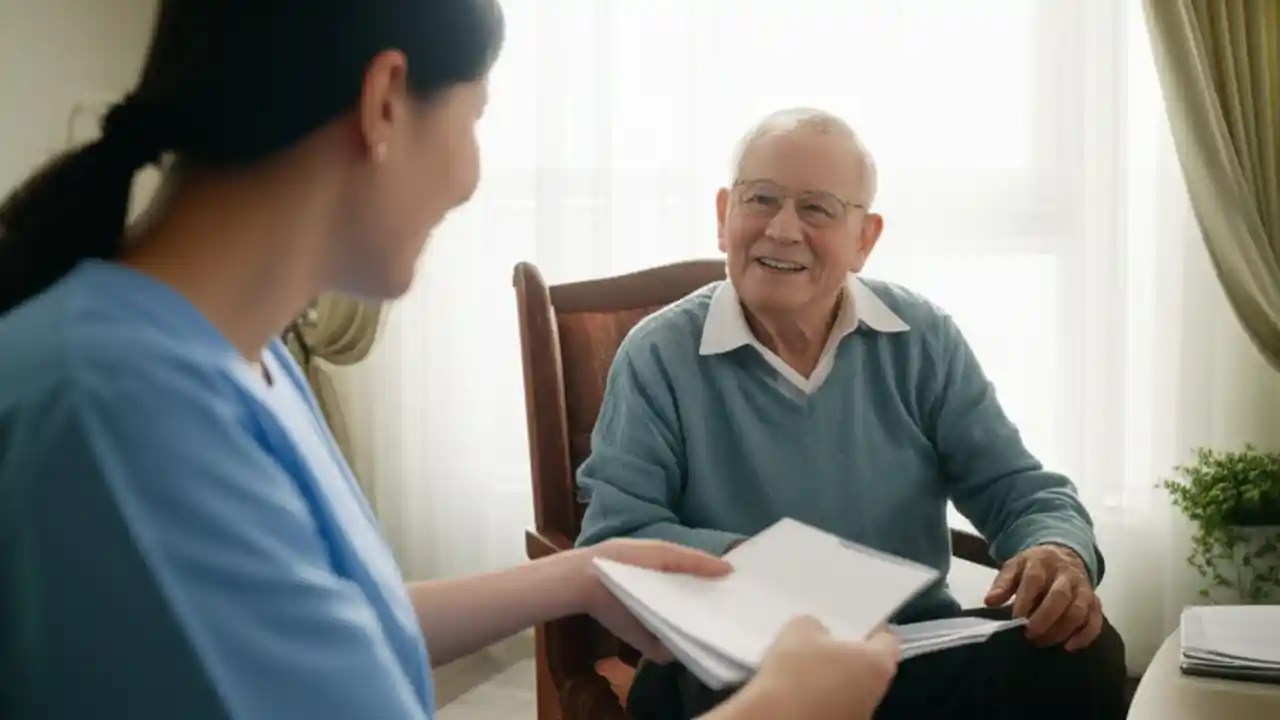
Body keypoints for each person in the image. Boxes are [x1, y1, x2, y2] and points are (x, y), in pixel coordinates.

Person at [0, 3, 901, 719]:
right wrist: (788, 707)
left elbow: (334, 624)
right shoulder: (121, 408)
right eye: (475, 119)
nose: (470, 176)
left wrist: (579, 575)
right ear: (386, 100)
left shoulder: (238, 360)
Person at [575, 107, 1130, 719]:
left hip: (906, 649)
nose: (782, 230)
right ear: (722, 216)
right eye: (761, 199)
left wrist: (1057, 548)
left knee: (1087, 652)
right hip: (741, 663)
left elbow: (1017, 487)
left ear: (864, 240)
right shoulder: (658, 354)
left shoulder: (922, 337)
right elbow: (616, 536)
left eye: (817, 209)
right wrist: (777, 569)